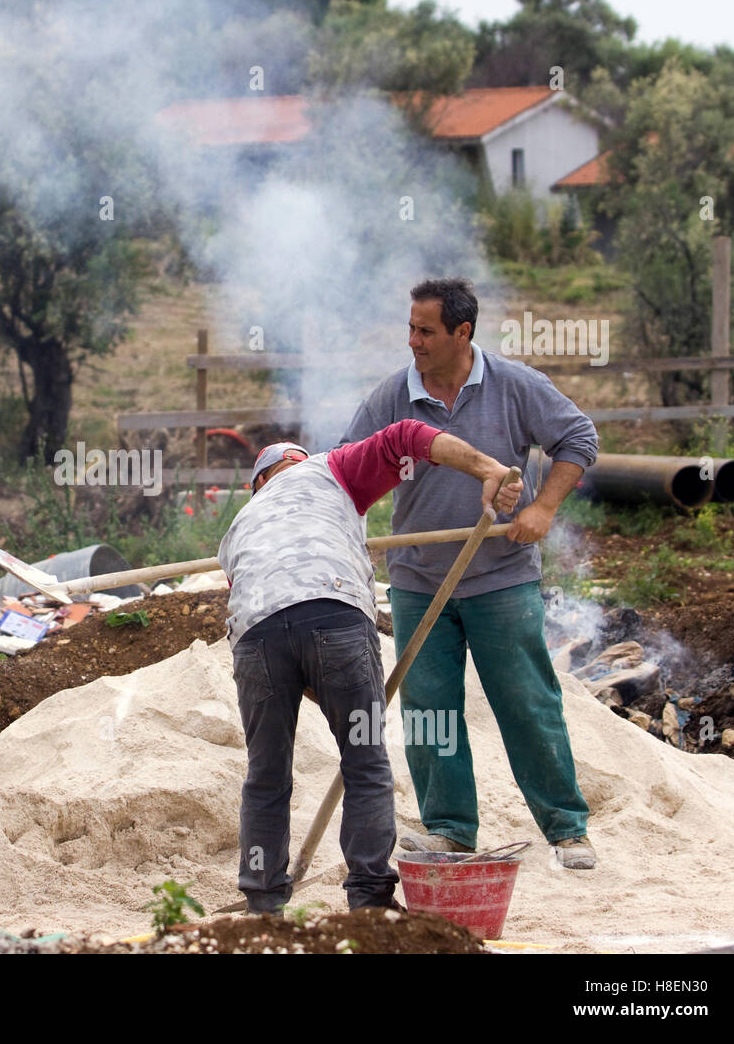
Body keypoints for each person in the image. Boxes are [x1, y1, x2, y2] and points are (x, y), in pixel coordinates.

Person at [340, 276, 599, 869]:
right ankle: (450, 828)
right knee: (431, 709)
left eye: (425, 330)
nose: (413, 341)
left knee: (527, 700)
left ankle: (566, 828)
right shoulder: (391, 398)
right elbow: (349, 465)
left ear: (463, 332)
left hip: (501, 577)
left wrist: (542, 507)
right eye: (409, 327)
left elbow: (578, 437)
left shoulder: (513, 385)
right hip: (417, 577)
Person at [218, 421, 522, 914]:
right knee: (365, 765)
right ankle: (370, 898)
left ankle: (262, 899)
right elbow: (406, 436)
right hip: (334, 617)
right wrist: (487, 468)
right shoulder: (329, 469)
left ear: (258, 484)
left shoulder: (237, 530)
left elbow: (268, 618)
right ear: (300, 462)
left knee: (266, 776)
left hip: (257, 638)